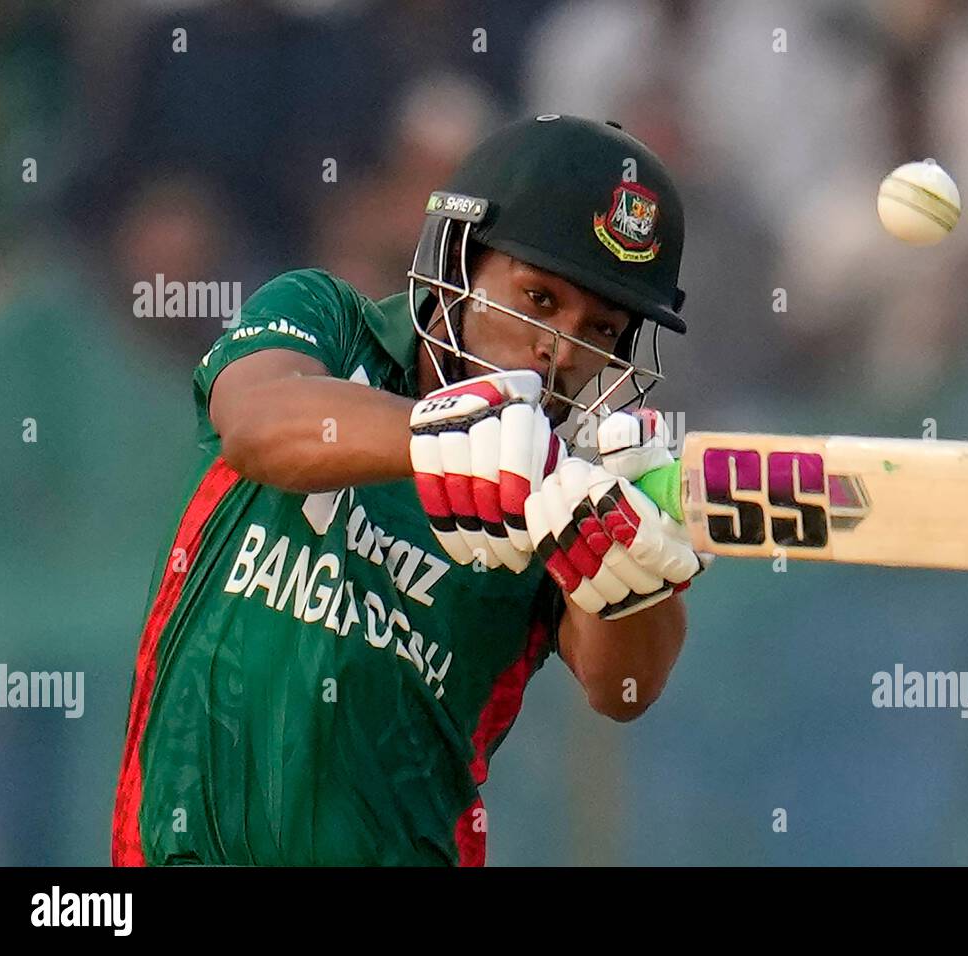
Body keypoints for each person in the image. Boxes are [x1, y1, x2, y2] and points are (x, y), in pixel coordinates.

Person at [111, 115, 707, 866]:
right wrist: (445, 438)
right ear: (457, 263)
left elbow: (624, 688)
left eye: (600, 329)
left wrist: (633, 580)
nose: (557, 350)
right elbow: (255, 421)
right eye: (539, 300)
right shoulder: (324, 321)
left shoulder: (565, 489)